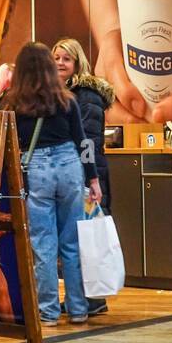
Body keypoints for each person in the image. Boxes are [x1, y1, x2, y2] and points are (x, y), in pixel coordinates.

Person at [1, 42, 101, 326]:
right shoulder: (66, 100)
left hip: (38, 170)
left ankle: (48, 313)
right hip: (70, 167)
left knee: (43, 245)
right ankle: (78, 309)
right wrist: (92, 178)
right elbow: (84, 142)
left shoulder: (15, 102)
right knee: (72, 243)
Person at [53, 36, 114, 317]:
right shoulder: (63, 94)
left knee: (87, 239)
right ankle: (85, 297)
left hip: (88, 175)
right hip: (76, 174)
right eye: (56, 58)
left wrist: (89, 179)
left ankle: (93, 298)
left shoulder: (86, 96)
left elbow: (87, 141)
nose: (60, 63)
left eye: (66, 59)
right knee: (79, 238)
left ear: (78, 63)